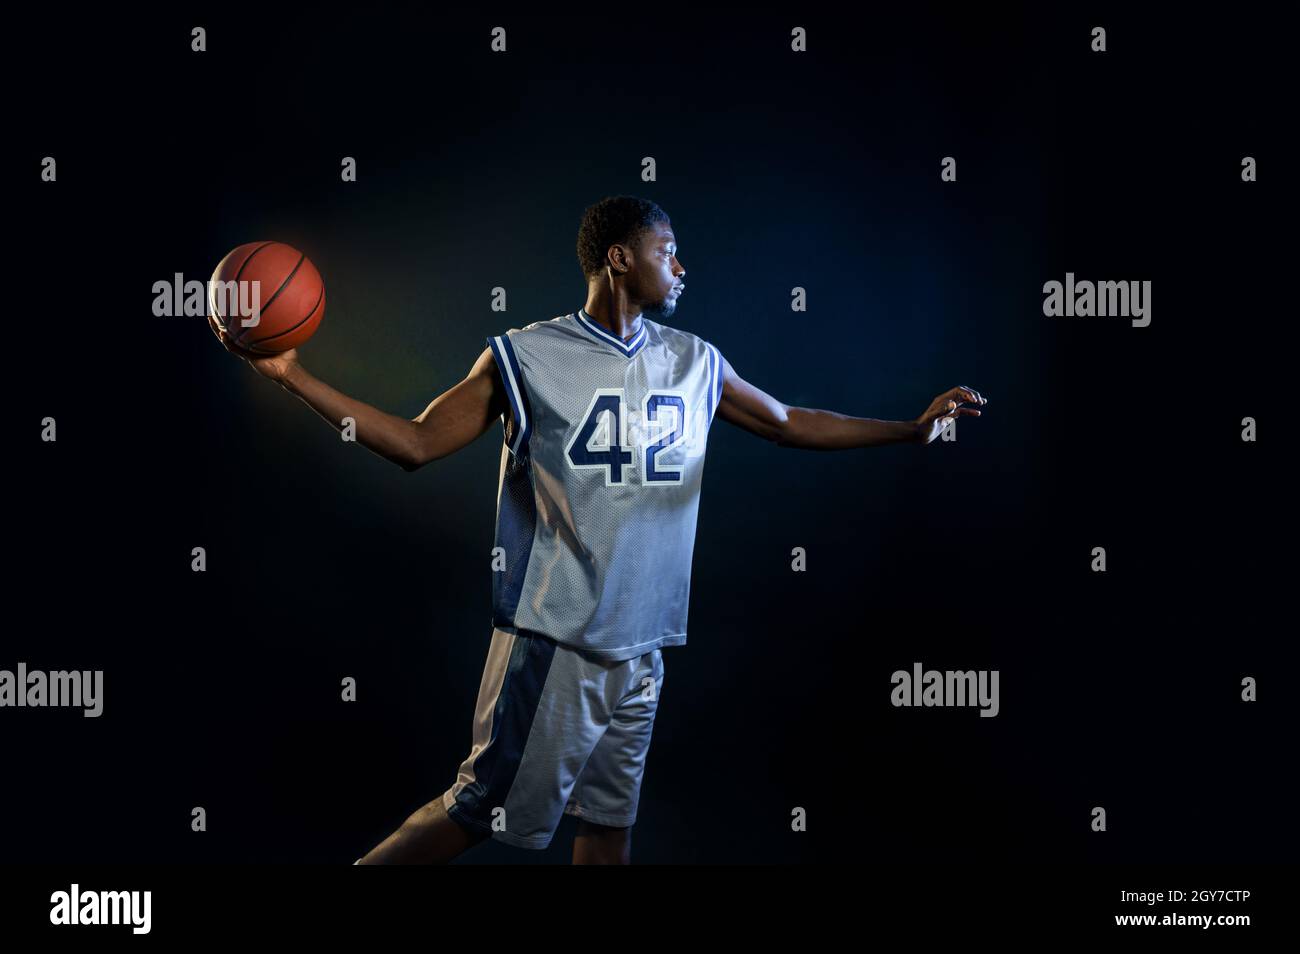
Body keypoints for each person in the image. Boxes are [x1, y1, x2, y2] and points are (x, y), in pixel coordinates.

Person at [207, 196, 987, 864]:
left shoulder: (695, 359)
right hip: (558, 641)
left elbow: (790, 422)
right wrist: (293, 377)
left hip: (643, 645)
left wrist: (910, 432)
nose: (682, 266)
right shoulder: (527, 354)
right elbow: (416, 444)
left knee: (608, 832)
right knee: (477, 808)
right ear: (620, 257)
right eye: (667, 250)